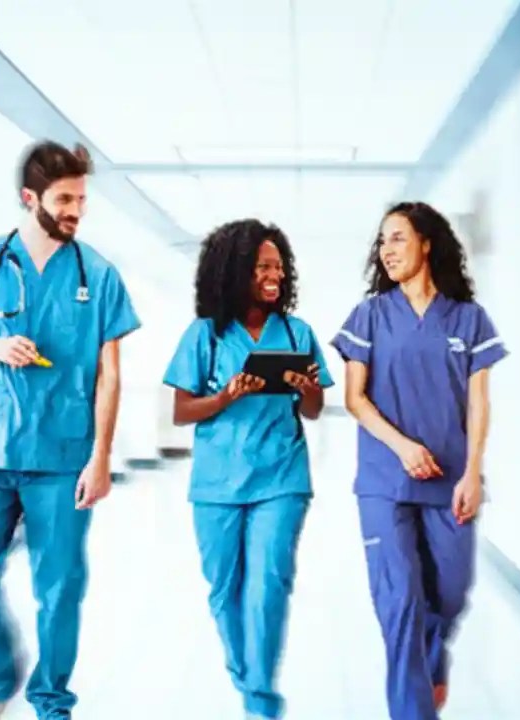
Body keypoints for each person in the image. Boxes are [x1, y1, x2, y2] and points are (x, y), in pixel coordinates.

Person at [0, 140, 141, 719]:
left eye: (81, 199)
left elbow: (110, 376)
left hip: (63, 458)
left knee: (60, 589)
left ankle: (51, 701)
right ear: (31, 199)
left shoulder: (97, 274)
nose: (77, 210)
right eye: (65, 199)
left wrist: (101, 457)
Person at [330, 201, 507, 720]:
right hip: (385, 483)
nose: (387, 249)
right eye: (382, 240)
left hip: (450, 481)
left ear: (427, 243)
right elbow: (355, 398)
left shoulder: (469, 319)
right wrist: (403, 447)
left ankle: (434, 659)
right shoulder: (370, 315)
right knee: (400, 602)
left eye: (398, 238)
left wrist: (473, 471)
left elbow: (478, 402)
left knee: (450, 596)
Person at [163, 219, 332, 720]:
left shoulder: (297, 332)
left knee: (269, 583)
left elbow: (316, 408)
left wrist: (306, 386)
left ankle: (261, 700)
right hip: (217, 484)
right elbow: (181, 410)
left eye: (279, 266)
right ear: (236, 272)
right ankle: (245, 674)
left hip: (281, 478)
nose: (273, 274)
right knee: (224, 588)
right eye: (263, 266)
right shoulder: (205, 336)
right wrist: (225, 396)